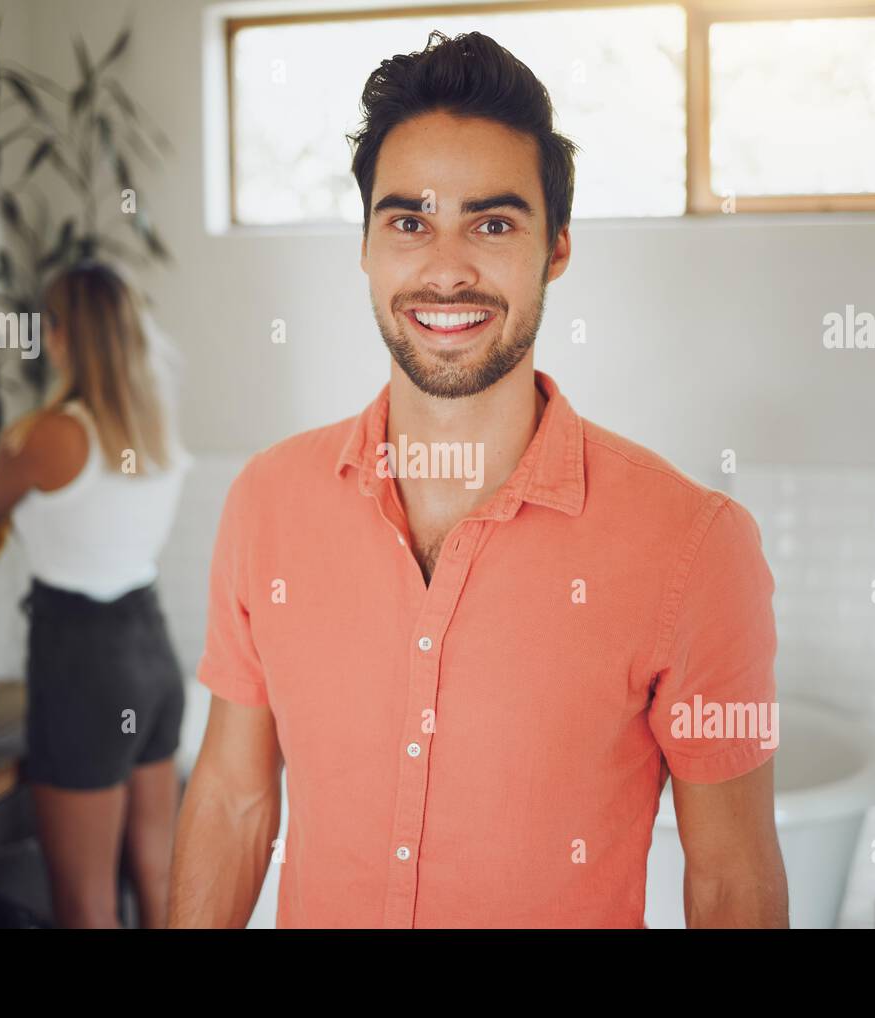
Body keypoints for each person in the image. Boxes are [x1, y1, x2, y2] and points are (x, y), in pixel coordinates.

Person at [170, 30, 788, 929]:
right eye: (409, 222)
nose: (446, 266)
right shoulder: (266, 503)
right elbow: (231, 798)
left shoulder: (695, 547)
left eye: (493, 223)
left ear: (558, 248)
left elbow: (732, 882)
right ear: (368, 247)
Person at [0, 262, 192, 928]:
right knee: (160, 880)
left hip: (84, 666)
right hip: (154, 657)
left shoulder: (49, 435)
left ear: (59, 336)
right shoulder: (154, 431)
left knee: (86, 906)